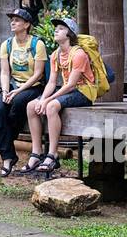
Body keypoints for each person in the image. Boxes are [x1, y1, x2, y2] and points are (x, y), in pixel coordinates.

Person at [20, 18, 99, 177]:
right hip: (69, 90)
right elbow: (51, 82)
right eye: (56, 28)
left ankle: (53, 154)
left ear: (69, 34)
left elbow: (71, 85)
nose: (56, 30)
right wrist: (42, 98)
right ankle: (36, 153)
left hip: (84, 92)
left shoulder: (78, 54)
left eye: (61, 28)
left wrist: (48, 101)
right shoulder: (55, 54)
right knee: (31, 106)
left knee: (51, 106)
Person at [0, 8, 47, 177]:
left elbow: (38, 74)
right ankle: (7, 159)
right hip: (13, 86)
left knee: (17, 103)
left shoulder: (37, 44)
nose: (13, 23)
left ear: (27, 25)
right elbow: (4, 72)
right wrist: (5, 91)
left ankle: (4, 141)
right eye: (12, 20)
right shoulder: (6, 44)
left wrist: (17, 92)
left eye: (17, 20)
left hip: (33, 87)